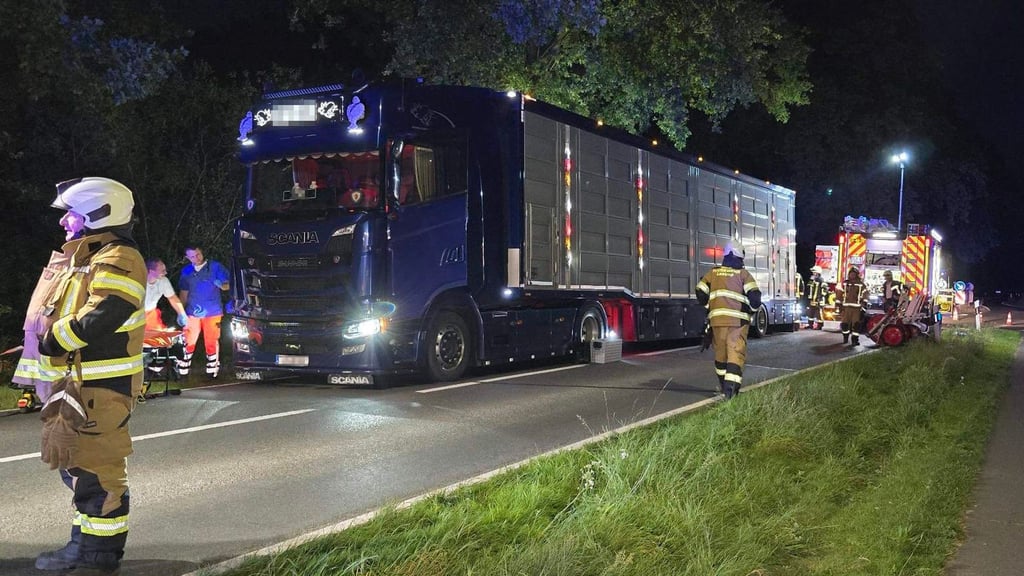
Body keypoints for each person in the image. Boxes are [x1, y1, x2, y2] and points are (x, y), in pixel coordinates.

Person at [33, 177, 146, 575]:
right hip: (83, 385)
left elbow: (106, 312)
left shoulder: (119, 256)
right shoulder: (92, 256)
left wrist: (53, 340)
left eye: (72, 214)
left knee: (99, 473)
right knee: (81, 469)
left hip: (103, 388)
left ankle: (98, 559)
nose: (66, 222)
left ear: (100, 213)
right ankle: (83, 547)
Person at [696, 242, 762, 399]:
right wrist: (750, 311)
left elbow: (700, 291)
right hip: (737, 323)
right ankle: (730, 394)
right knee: (735, 354)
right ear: (740, 256)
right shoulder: (743, 274)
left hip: (717, 322)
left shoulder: (713, 273)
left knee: (720, 356)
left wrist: (710, 306)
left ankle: (723, 387)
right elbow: (755, 298)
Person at [177, 246, 230, 378]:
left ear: (202, 253)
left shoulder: (215, 267)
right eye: (192, 256)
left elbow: (228, 284)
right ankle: (183, 371)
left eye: (198, 254)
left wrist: (222, 285)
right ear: (187, 258)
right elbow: (184, 293)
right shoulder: (186, 271)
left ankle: (212, 371)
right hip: (192, 311)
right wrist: (180, 312)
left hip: (212, 311)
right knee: (188, 340)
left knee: (211, 340)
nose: (196, 258)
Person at [145, 258, 188, 330]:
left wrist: (181, 313)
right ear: (151, 271)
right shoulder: (138, 281)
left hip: (151, 314)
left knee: (157, 337)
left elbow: (172, 297)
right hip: (135, 315)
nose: (165, 273)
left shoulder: (163, 281)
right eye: (162, 271)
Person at [836, 266, 867, 345]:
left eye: (854, 274)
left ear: (857, 275)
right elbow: (839, 294)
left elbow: (865, 295)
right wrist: (839, 305)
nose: (852, 275)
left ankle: (854, 340)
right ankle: (845, 338)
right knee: (844, 324)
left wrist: (863, 306)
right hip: (846, 308)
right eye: (851, 274)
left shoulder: (861, 284)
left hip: (856, 309)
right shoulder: (845, 283)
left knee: (856, 325)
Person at [805, 265, 829, 330]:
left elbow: (825, 290)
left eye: (814, 272)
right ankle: (810, 325)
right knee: (810, 313)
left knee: (819, 314)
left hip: (819, 300)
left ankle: (820, 325)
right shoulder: (812, 280)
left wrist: (820, 297)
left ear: (818, 273)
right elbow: (808, 288)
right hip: (812, 300)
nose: (813, 273)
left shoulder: (821, 280)